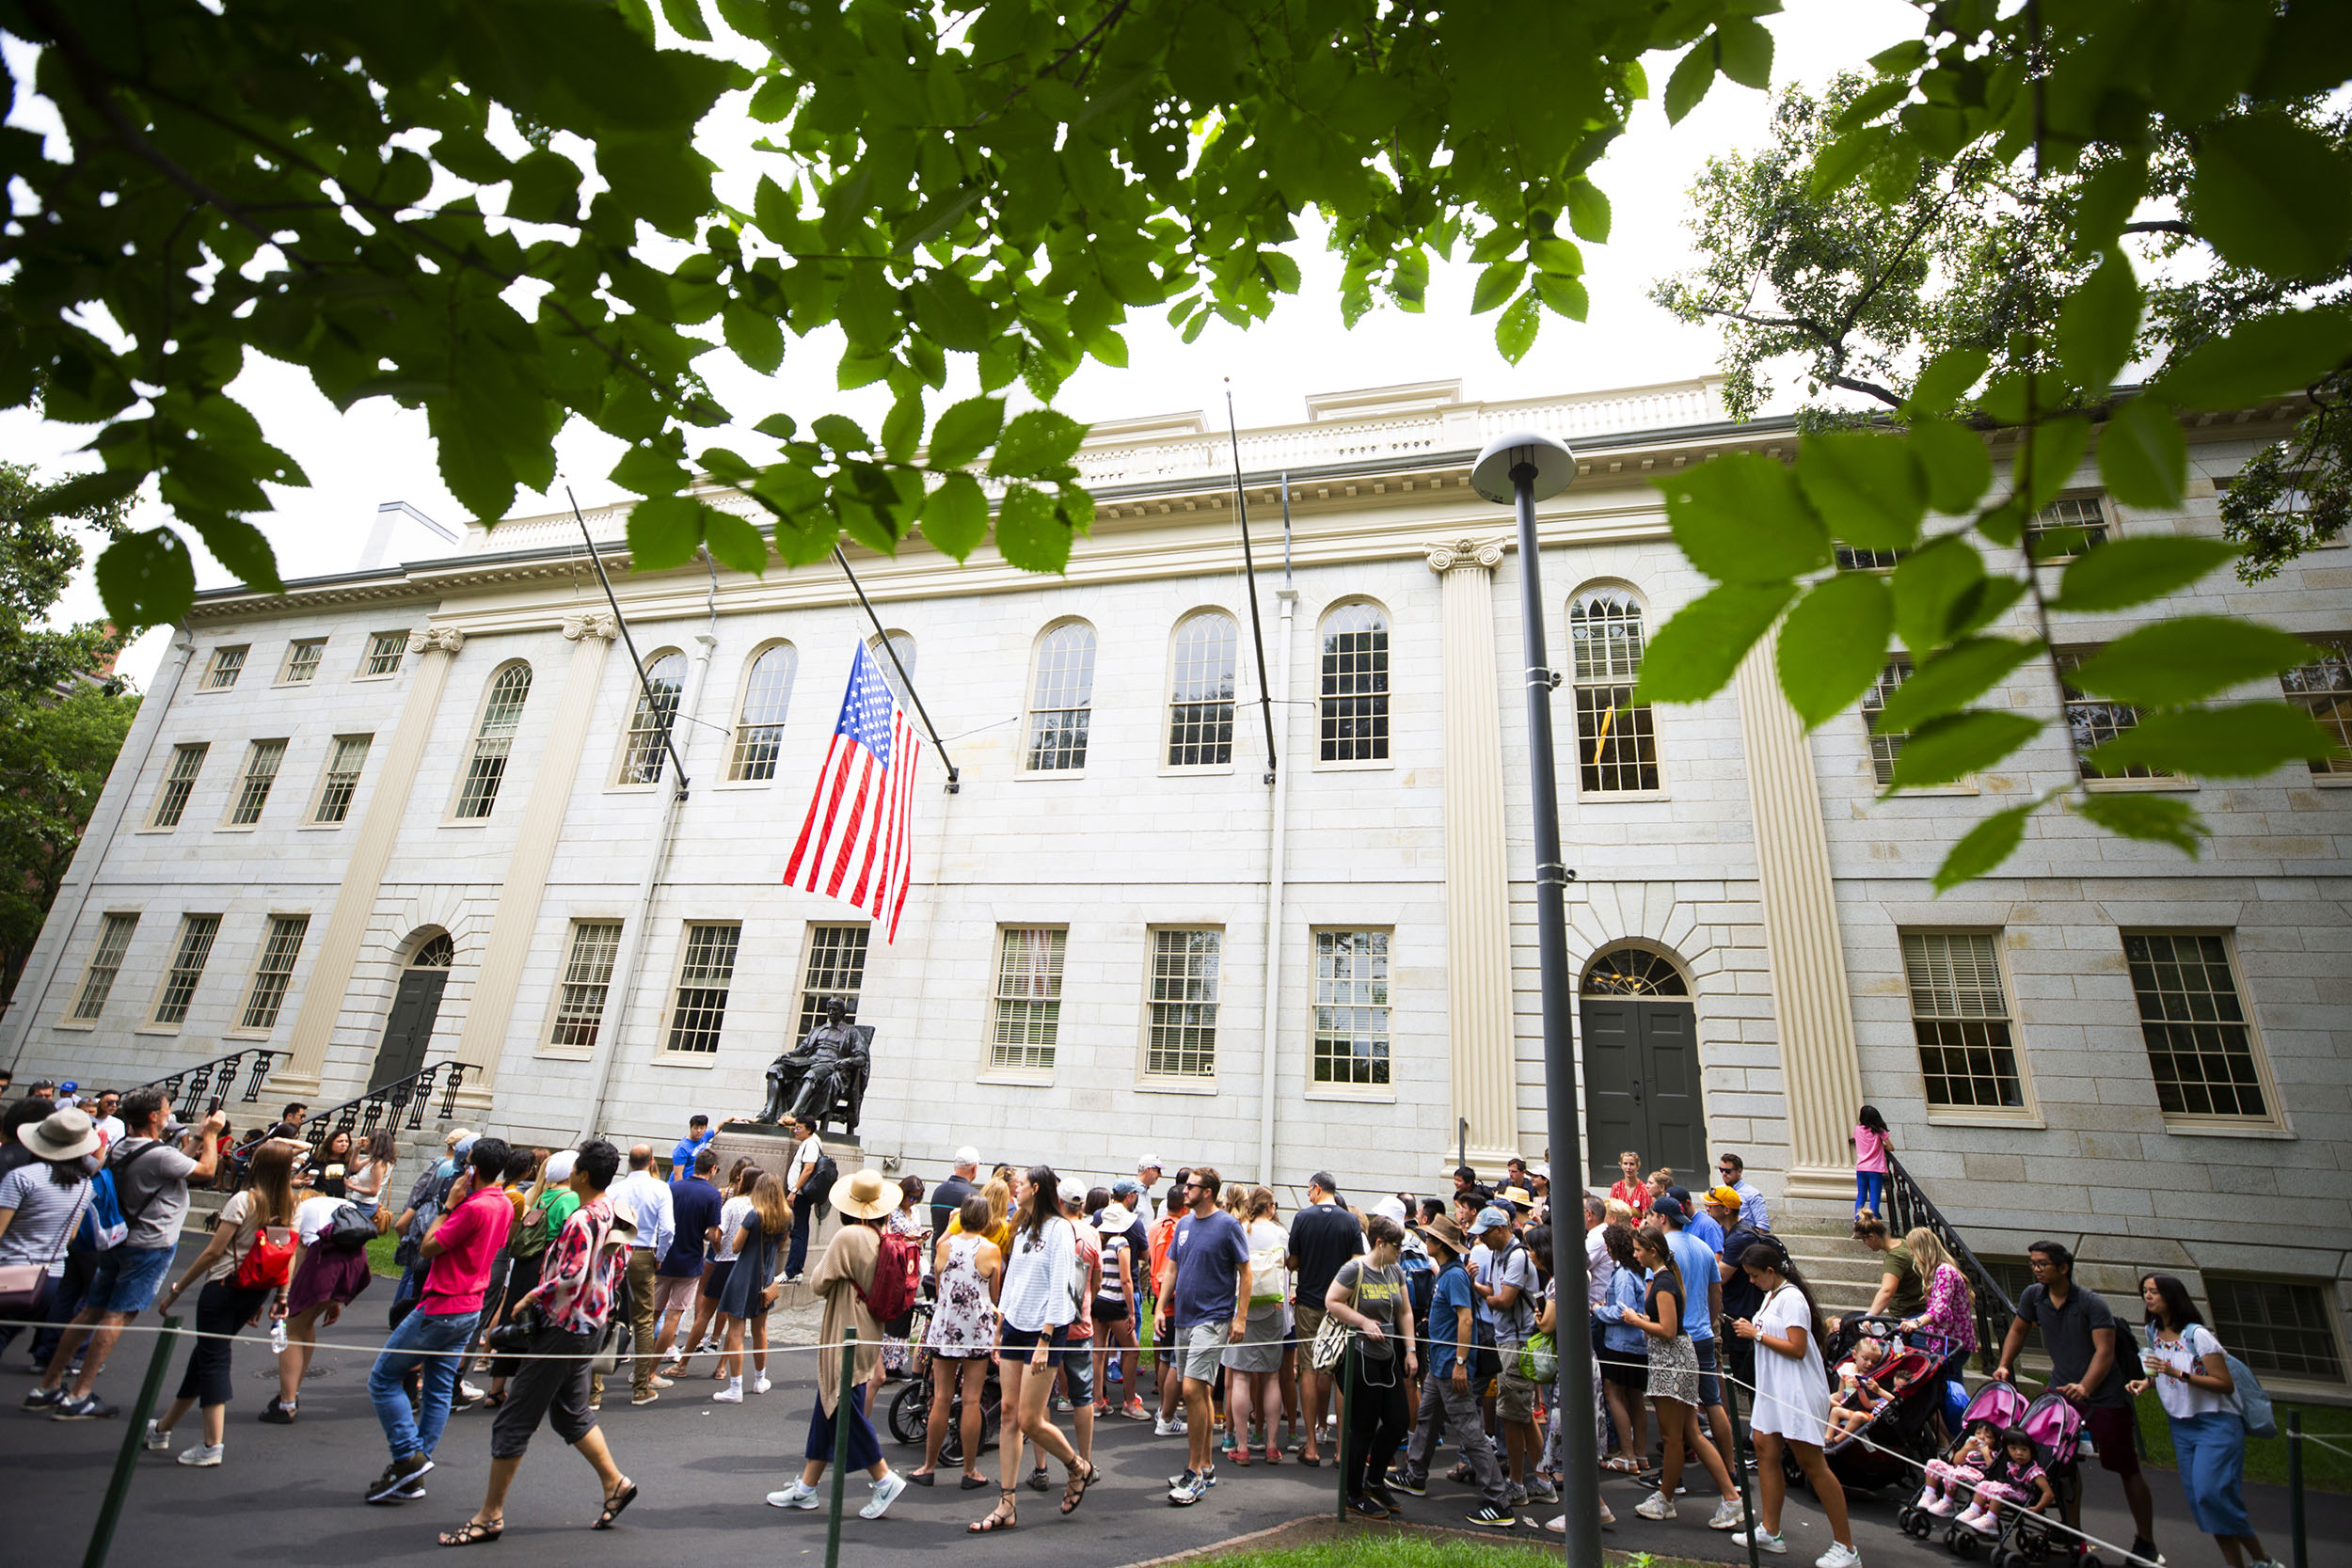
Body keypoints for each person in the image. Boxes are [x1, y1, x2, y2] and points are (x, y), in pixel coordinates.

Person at [438, 1139, 636, 1544]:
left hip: (565, 1328)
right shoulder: (614, 1212)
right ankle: (615, 1483)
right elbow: (616, 1271)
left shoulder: (583, 1218)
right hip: (589, 1326)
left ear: (581, 1174)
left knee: (515, 1419)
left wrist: (533, 1295)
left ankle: (490, 1515)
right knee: (569, 1413)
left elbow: (572, 1276)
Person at [32, 1088, 227, 1418]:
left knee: (91, 1310)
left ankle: (48, 1386)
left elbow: (169, 1162)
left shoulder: (123, 1146)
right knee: (118, 1315)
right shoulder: (159, 1154)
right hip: (150, 1244)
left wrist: (193, 1140)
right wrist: (210, 1135)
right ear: (153, 1116)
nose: (169, 1113)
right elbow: (206, 1171)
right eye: (166, 1109)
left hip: (120, 1240)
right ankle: (80, 1394)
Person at [366, 1135, 513, 1503]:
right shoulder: (503, 1204)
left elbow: (428, 1246)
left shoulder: (472, 1207)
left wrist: (448, 1206)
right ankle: (414, 1470)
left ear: (472, 1168)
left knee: (383, 1378)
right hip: (469, 1307)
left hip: (444, 1304)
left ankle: (407, 1455)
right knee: (437, 1391)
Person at [1994, 1240, 2160, 1566]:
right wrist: (2004, 1363)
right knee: (2060, 1463)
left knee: (2124, 1466)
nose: (2036, 1269)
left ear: (2063, 1268)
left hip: (2105, 1396)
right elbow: (2018, 1329)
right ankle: (2073, 1531)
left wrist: (2086, 1386)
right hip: (2062, 1392)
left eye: (2042, 1263)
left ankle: (2146, 1540)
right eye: (2033, 1263)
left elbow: (2105, 1351)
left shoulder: (2090, 1303)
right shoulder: (2033, 1296)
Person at [766, 1169, 910, 1522]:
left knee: (843, 1407)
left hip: (845, 1328)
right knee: (828, 1403)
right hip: (866, 1329)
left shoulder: (849, 1236)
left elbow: (817, 1282)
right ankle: (807, 1486)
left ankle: (884, 1478)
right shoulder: (879, 1236)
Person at [146, 1140, 299, 1466]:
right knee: (205, 1354)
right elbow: (286, 1256)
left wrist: (177, 1289)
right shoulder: (288, 1204)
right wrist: (281, 1296)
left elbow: (214, 1251)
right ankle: (162, 1428)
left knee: (214, 1358)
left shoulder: (244, 1200)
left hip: (224, 1284)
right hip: (255, 1288)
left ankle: (212, 1444)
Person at [967, 1164, 1096, 1529]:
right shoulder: (1021, 1226)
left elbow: (1060, 1285)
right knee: (1008, 1413)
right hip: (1015, 1327)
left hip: (1045, 1330)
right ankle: (1006, 1503)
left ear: (1035, 1188)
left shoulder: (1060, 1229)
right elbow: (1012, 1279)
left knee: (1029, 1419)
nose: (1015, 1189)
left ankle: (1077, 1466)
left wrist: (1045, 1338)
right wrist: (999, 1327)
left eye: (1020, 1184)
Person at [2129, 1273, 2277, 1568]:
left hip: (2216, 1423)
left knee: (2213, 1494)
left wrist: (2177, 1374)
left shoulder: (2197, 1335)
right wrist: (2147, 1383)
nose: (2148, 1297)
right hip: (2181, 1425)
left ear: (2172, 1296)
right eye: (2145, 1291)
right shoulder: (2152, 1331)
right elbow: (2159, 1370)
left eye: (2154, 1292)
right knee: (2203, 1501)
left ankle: (2262, 1560)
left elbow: (2224, 1384)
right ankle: (2241, 1564)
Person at [1729, 1235, 1859, 1568]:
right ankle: (1771, 1531)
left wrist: (1755, 1334)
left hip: (1797, 1392)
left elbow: (1797, 1347)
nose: (1752, 1281)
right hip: (1774, 1390)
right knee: (1764, 1448)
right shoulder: (1771, 1295)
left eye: (1756, 1275)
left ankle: (1847, 1547)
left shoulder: (1792, 1299)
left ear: (1771, 1270)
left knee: (1812, 1463)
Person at [1386, 1213, 1514, 1528]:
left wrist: (1460, 1363)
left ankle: (1498, 1500)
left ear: (1438, 1244)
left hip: (1450, 1366)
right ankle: (1415, 1474)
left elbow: (1466, 1319)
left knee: (1470, 1430)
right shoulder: (1448, 1272)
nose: (1425, 1241)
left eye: (1429, 1237)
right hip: (1441, 1366)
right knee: (1428, 1418)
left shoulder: (1453, 1276)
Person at [1619, 1224, 1747, 1531]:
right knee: (1687, 1433)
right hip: (1675, 1358)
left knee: (1674, 1435)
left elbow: (1667, 1329)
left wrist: (1637, 1320)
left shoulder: (1663, 1282)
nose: (1635, 1255)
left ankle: (1701, 1498)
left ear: (1652, 1250)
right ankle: (1679, 1497)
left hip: (1672, 1360)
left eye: (1638, 1250)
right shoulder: (1668, 1277)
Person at [1156, 1165, 1251, 1507]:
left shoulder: (1228, 1225)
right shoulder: (1182, 1224)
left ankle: (1194, 1471)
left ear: (1207, 1191)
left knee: (1192, 1389)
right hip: (1184, 1318)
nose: (1184, 1190)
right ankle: (1207, 1467)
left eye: (1191, 1186)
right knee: (1201, 1392)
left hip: (1213, 1319)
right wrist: (1159, 1308)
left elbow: (1245, 1272)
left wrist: (1239, 1317)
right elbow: (1172, 1268)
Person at [909, 1193, 1004, 1488]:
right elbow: (994, 1295)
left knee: (941, 1397)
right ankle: (969, 1470)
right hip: (975, 1328)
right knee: (972, 1399)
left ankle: (928, 1466)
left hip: (945, 1325)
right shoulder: (990, 1250)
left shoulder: (944, 1246)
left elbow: (940, 1288)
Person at [1328, 1212, 1418, 1518]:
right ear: (1380, 1243)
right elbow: (1333, 1301)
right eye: (1396, 1246)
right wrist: (1363, 1321)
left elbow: (1404, 1312)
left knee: (1397, 1420)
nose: (1399, 1252)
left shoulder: (1395, 1272)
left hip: (1388, 1357)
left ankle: (1375, 1480)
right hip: (1359, 1357)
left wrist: (1410, 1350)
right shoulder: (1355, 1269)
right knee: (1362, 1428)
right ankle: (1353, 1493)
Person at [1650, 1195, 1740, 1488]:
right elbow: (1717, 1293)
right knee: (1712, 1401)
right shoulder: (1702, 1247)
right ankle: (1730, 1468)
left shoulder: (1663, 1252)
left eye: (1652, 1215)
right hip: (1703, 1334)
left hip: (1676, 1338)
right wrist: (1710, 1322)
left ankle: (1672, 1481)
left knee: (1678, 1418)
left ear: (1662, 1219)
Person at [0, 1106, 97, 1365]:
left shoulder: (21, 1177)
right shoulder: (84, 1185)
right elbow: (70, 1237)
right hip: (48, 1277)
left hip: (8, 1269)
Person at [1285, 1168, 1364, 1466]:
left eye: (1308, 1190)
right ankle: (1342, 1448)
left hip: (1308, 1301)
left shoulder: (1303, 1218)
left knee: (1308, 1368)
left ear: (1317, 1189)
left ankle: (1311, 1446)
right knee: (1339, 1372)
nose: (1308, 1195)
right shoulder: (1350, 1220)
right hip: (1342, 1305)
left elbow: (1292, 1262)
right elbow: (1358, 1263)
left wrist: (1292, 1260)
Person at [1470, 1203, 1547, 1508]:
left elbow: (1503, 1300)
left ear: (1501, 1230)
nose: (1483, 1240)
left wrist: (1476, 1288)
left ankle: (1518, 1481)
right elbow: (1494, 1291)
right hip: (1508, 1340)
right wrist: (1482, 1286)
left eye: (1486, 1234)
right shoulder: (1498, 1253)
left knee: (1511, 1416)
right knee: (1522, 1415)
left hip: (1516, 1342)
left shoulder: (1516, 1256)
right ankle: (1542, 1478)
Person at [1222, 1185, 1288, 1466]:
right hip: (1273, 1306)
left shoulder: (1240, 1229)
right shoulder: (1281, 1232)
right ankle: (1272, 1446)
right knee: (1271, 1375)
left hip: (1243, 1308)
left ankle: (1242, 1445)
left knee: (1240, 1377)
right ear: (1270, 1206)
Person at [606, 1144, 675, 1406]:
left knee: (607, 1313)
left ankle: (594, 1390)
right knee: (644, 1318)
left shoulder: (614, 1189)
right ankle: (640, 1386)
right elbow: (668, 1229)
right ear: (651, 1161)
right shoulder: (660, 1188)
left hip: (615, 1249)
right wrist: (660, 1256)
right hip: (643, 1250)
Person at [713, 1172, 787, 1402]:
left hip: (743, 1275)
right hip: (765, 1278)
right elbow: (782, 1244)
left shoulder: (754, 1216)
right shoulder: (786, 1217)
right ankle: (759, 1379)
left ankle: (735, 1387)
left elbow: (736, 1247)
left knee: (736, 1330)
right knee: (760, 1329)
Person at [652, 1147, 723, 1373]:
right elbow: (712, 1234)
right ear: (712, 1169)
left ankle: (639, 1363)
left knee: (652, 1313)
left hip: (665, 1256)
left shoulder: (673, 1187)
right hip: (690, 1260)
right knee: (673, 1315)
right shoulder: (712, 1195)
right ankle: (650, 1371)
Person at [1595, 1222, 1648, 1472]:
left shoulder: (1625, 1274)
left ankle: (1628, 1454)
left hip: (1621, 1343)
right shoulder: (1635, 1271)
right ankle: (1639, 1454)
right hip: (1635, 1344)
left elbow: (1622, 1310)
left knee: (1614, 1393)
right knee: (1635, 1397)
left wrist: (1598, 1309)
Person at [1090, 1182, 1145, 1419]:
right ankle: (1130, 1401)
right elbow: (1126, 1281)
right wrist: (1131, 1312)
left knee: (1098, 1350)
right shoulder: (1121, 1244)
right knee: (1132, 1350)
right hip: (1115, 1303)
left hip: (1099, 1300)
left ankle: (1097, 1400)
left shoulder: (1099, 1243)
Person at [1953, 1426, 2057, 1538]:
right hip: (2010, 1489)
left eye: (2024, 1450)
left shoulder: (2034, 1471)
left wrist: (2038, 1508)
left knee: (1998, 1491)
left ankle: (1991, 1521)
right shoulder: (2012, 1465)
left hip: (2022, 1495)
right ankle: (1974, 1510)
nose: (2019, 1453)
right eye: (2014, 1449)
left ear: (2031, 1451)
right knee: (1984, 1485)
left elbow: (2048, 1493)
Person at [1836, 1209, 1925, 1329]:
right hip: (1919, 1312)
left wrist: (1870, 1316)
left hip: (1909, 1317)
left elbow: (1887, 1291)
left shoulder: (1895, 1258)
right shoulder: (1904, 1243)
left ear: (1872, 1237)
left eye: (1864, 1239)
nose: (1865, 1243)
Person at [880, 1175, 930, 1377]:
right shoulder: (892, 1213)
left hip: (912, 1263)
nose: (914, 1202)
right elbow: (886, 1238)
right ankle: (884, 1362)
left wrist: (920, 1238)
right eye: (911, 1198)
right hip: (896, 1265)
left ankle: (896, 1362)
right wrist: (905, 1239)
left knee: (905, 1313)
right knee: (892, 1313)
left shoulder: (915, 1212)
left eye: (918, 1198)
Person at [784, 1114, 824, 1280]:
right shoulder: (810, 1140)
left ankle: (792, 1271)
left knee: (798, 1231)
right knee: (800, 1230)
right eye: (795, 1127)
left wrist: (794, 1190)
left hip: (799, 1194)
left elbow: (808, 1168)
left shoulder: (811, 1144)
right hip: (799, 1193)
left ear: (809, 1130)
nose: (795, 1130)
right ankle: (796, 1270)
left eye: (799, 1128)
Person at [930, 1146, 979, 1240]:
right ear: (974, 1168)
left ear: (955, 1166)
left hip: (937, 1251)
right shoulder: (974, 1197)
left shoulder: (938, 1191)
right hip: (960, 1252)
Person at [1851, 1104, 1890, 1217]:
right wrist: (1880, 1146)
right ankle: (1873, 1220)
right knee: (1874, 1197)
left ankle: (1857, 1219)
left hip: (1861, 1168)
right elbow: (1891, 1147)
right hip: (1875, 1169)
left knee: (1861, 1195)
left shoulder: (1858, 1130)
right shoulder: (1879, 1131)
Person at [348, 1130, 399, 1212]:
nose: (365, 1143)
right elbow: (353, 1168)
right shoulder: (372, 1160)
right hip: (357, 1202)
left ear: (375, 1145)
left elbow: (373, 1191)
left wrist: (351, 1186)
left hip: (364, 1205)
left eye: (368, 1141)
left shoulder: (379, 1165)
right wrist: (357, 1149)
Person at [1715, 1151, 1769, 1229]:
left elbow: (1763, 1227)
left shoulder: (1752, 1194)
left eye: (1727, 1171)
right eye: (1721, 1170)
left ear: (1739, 1171)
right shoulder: (1717, 1191)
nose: (1724, 1174)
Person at [306, 1129, 356, 1199]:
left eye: (346, 1141)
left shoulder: (350, 1162)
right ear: (330, 1143)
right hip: (317, 1199)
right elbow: (295, 1182)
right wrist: (302, 1182)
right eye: (340, 1141)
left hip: (338, 1201)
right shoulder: (316, 1159)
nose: (344, 1144)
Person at [668, 1115, 715, 1183]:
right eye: (695, 1128)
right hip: (680, 1185)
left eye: (702, 1128)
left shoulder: (704, 1137)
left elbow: (718, 1127)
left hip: (693, 1183)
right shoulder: (682, 1148)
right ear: (691, 1128)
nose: (699, 1131)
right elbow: (677, 1175)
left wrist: (731, 1118)